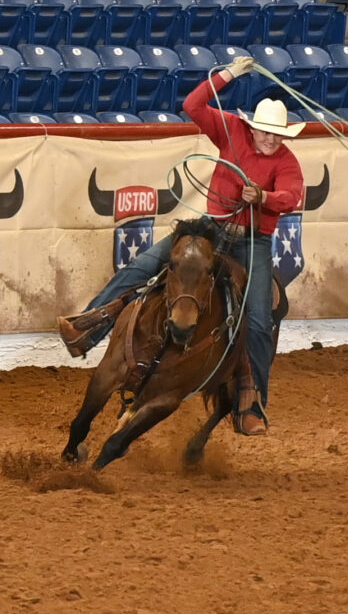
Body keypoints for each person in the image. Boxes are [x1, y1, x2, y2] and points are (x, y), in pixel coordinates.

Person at [59, 57, 303, 436]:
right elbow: (192, 106)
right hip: (212, 227)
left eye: (277, 134)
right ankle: (89, 325)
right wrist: (228, 74)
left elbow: (292, 195)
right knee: (144, 265)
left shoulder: (286, 161)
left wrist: (264, 197)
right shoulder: (231, 130)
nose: (271, 139)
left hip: (252, 241)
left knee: (258, 319)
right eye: (264, 132)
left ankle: (251, 400)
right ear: (252, 127)